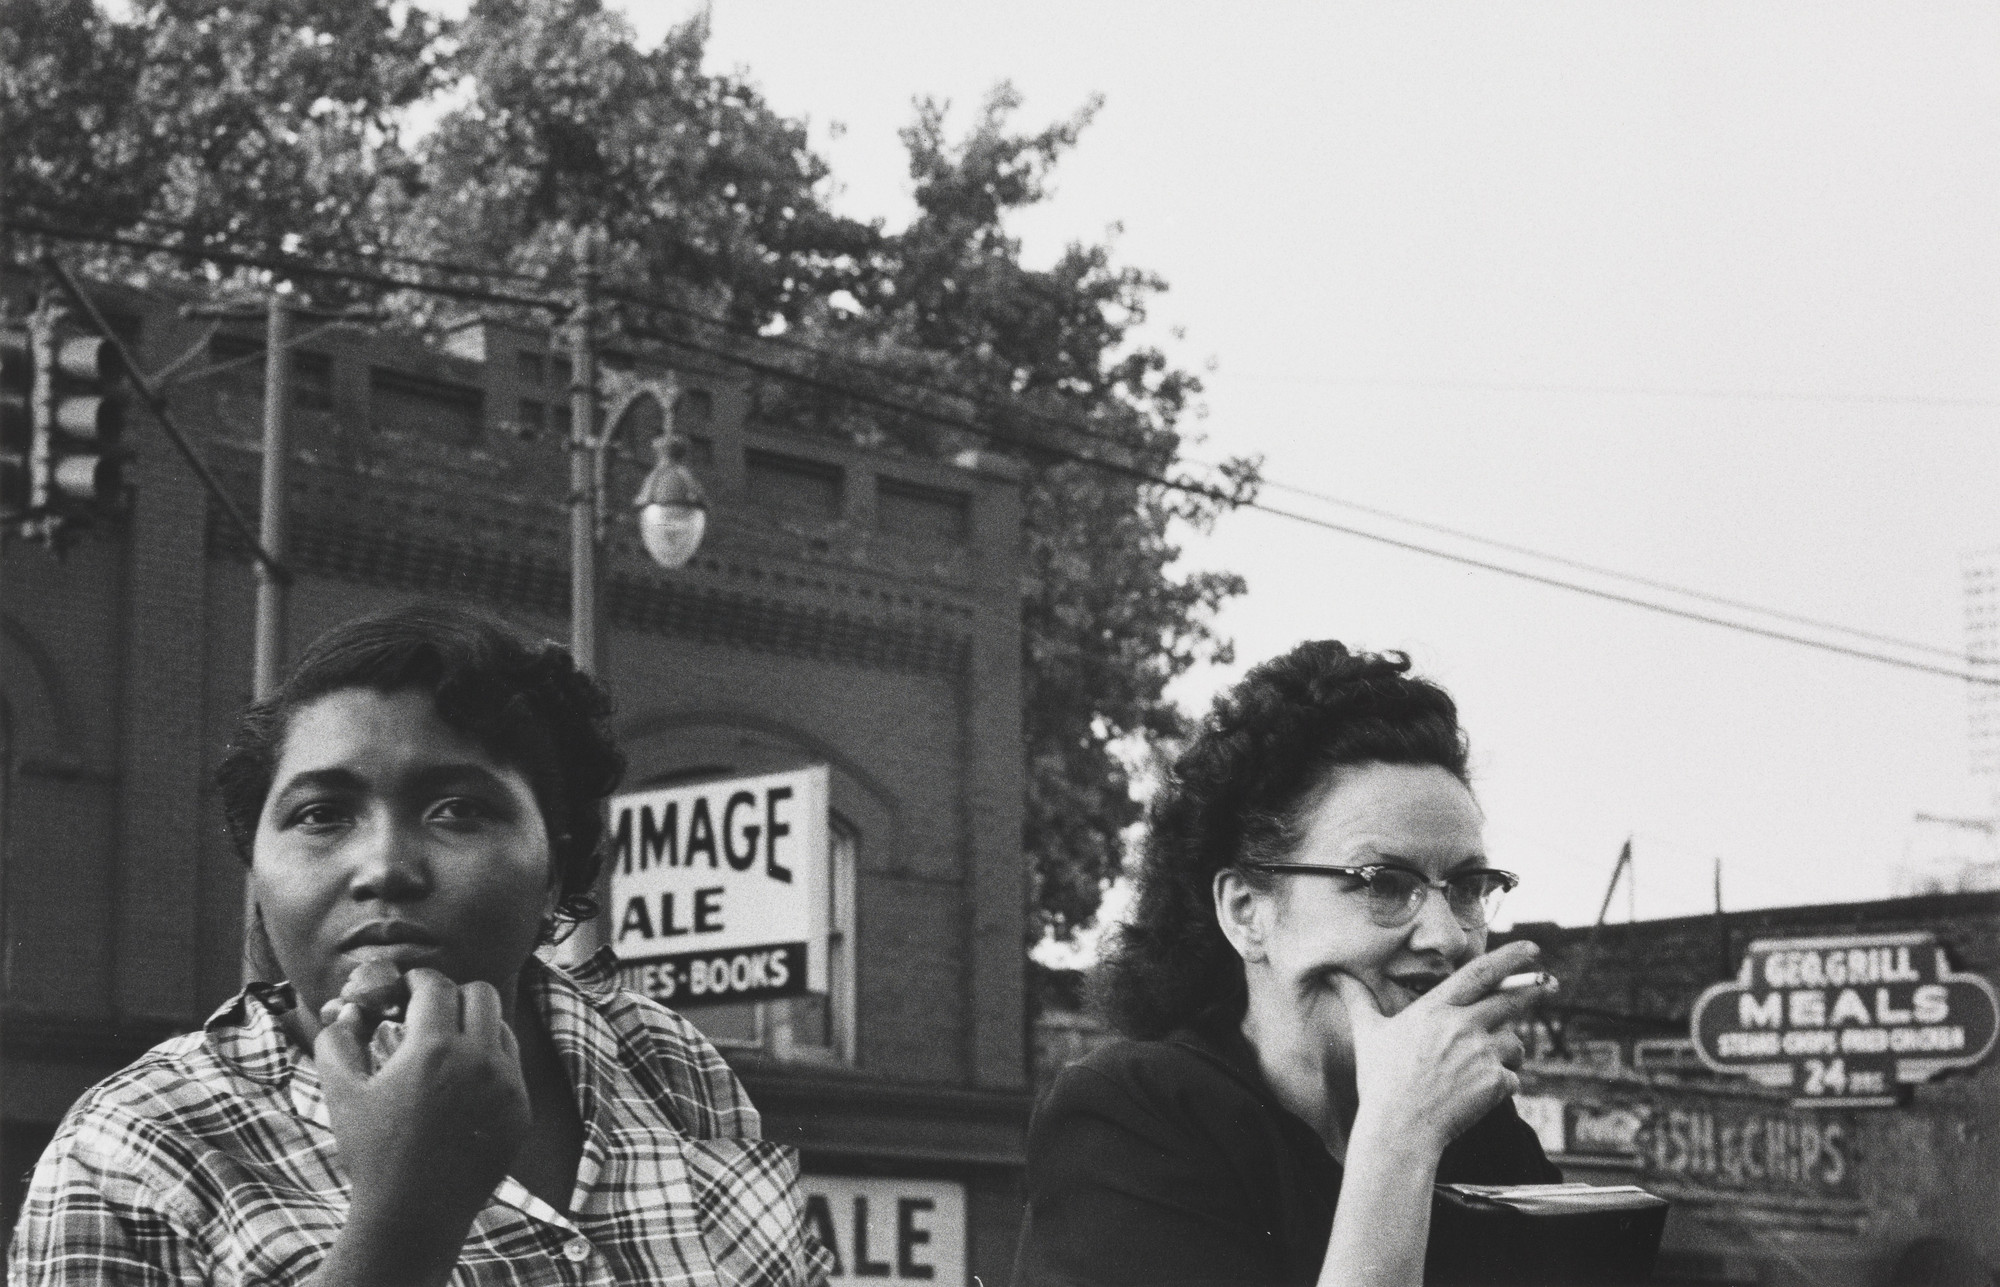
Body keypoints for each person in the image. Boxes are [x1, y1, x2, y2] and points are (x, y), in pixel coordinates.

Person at [10, 603, 830, 1287]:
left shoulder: (663, 1060)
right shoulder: (139, 1149)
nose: (385, 867)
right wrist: (405, 1218)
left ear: (557, 864)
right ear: (256, 865)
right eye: (321, 814)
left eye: (457, 810)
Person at [1014, 641, 1561, 1287]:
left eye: (1468, 886)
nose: (1447, 934)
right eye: (1384, 881)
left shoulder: (1481, 1130)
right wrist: (1400, 1138)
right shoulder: (1129, 1117)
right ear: (1247, 911)